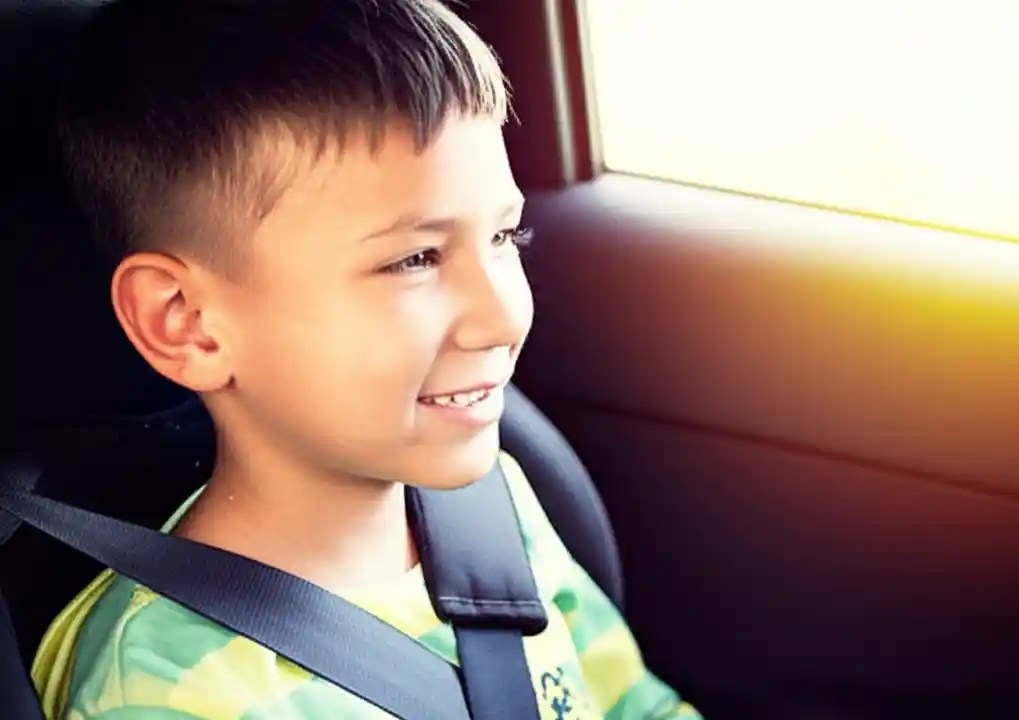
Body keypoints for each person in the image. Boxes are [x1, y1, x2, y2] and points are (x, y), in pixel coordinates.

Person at [29, 0, 700, 717]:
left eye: (506, 238)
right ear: (186, 323)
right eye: (415, 258)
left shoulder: (489, 506)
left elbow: (635, 706)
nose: (503, 317)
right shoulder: (175, 695)